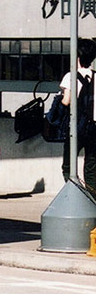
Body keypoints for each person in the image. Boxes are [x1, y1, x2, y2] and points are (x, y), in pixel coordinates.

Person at [59, 38, 96, 190]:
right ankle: (92, 201)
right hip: (94, 128)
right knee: (91, 168)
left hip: (75, 128)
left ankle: (74, 195)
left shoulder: (71, 76)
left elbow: (66, 101)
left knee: (68, 165)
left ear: (78, 56)